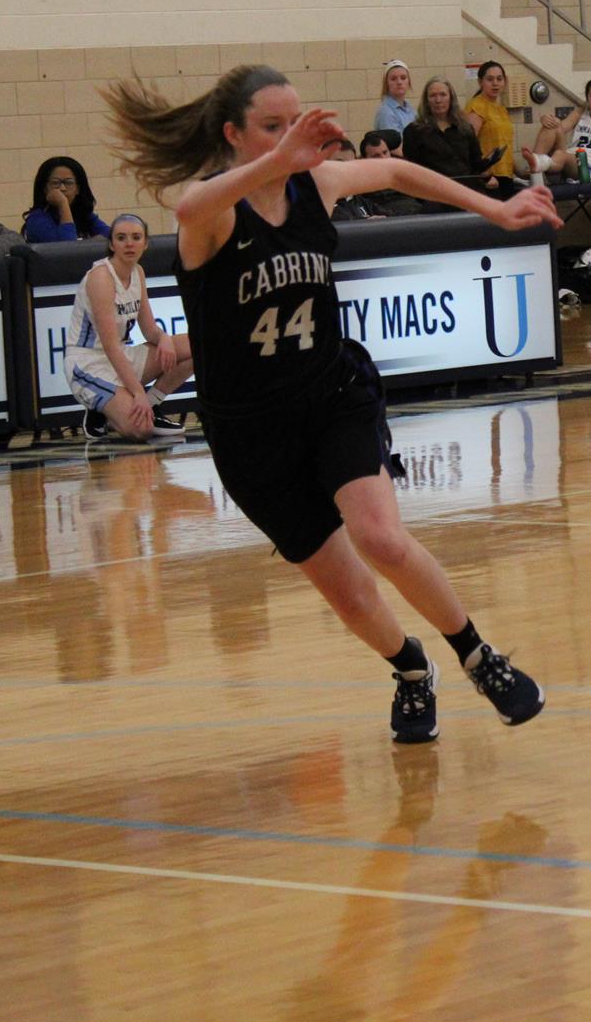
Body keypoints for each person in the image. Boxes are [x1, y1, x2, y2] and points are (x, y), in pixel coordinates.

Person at [103, 63, 562, 743]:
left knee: (380, 536)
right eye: (272, 127)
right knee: (346, 590)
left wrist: (495, 208)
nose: (292, 139)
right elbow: (187, 208)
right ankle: (410, 669)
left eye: (295, 123)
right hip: (250, 432)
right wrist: (284, 158)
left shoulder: (316, 184)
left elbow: (399, 173)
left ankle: (478, 654)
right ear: (233, 134)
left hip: (331, 395)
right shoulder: (214, 210)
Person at [65, 214, 192, 442]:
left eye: (136, 237)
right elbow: (110, 346)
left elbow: (149, 330)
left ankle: (151, 405)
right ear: (112, 244)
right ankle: (102, 408)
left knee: (197, 347)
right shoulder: (101, 277)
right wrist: (137, 393)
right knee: (140, 429)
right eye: (121, 238)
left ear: (145, 243)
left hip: (121, 356)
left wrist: (162, 337)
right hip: (90, 364)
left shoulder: (138, 272)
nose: (129, 243)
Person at [524, 76, 591, 182]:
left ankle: (533, 169)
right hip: (566, 164)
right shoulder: (580, 113)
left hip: (590, 170)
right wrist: (545, 119)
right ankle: (534, 170)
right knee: (550, 127)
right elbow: (559, 129)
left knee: (562, 155)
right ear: (587, 98)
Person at [401, 76, 496, 184]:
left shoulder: (465, 128)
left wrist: (488, 172)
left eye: (443, 94)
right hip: (433, 192)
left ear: (451, 98)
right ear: (426, 101)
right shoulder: (413, 131)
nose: (438, 100)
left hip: (466, 189)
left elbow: (476, 163)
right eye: (432, 95)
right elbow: (412, 171)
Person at [22, 156, 112, 242]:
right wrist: (63, 204)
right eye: (55, 183)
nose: (62, 188)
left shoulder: (84, 214)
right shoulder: (37, 219)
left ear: (78, 188)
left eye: (68, 182)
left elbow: (111, 236)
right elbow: (68, 248)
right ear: (45, 188)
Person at [464, 61, 519, 190]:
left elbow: (504, 146)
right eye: (490, 79)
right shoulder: (476, 106)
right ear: (480, 82)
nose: (495, 83)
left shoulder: (502, 110)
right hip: (488, 177)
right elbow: (467, 145)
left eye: (499, 79)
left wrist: (521, 171)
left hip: (506, 175)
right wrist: (485, 176)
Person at [373, 60, 416, 133]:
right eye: (393, 79)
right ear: (386, 84)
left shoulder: (410, 109)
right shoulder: (385, 112)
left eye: (403, 78)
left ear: (409, 82)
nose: (399, 82)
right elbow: (394, 143)